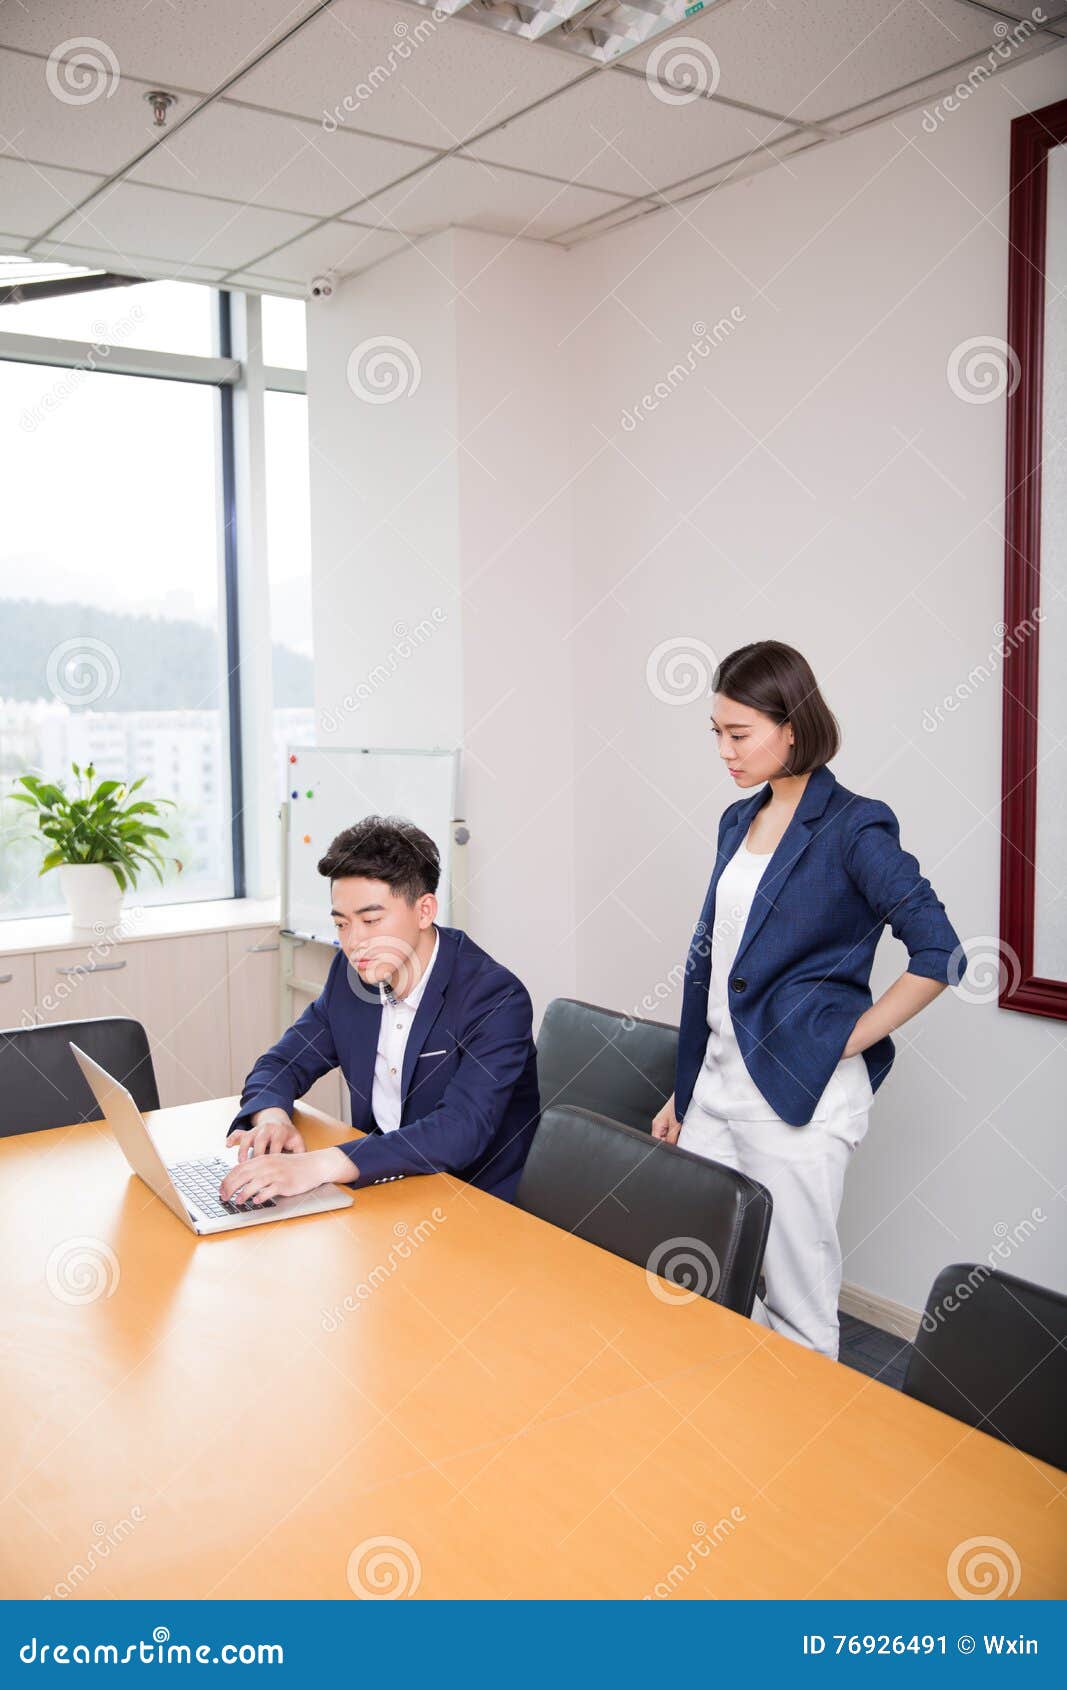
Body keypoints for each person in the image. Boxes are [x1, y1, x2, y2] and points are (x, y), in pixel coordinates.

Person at [652, 640, 966, 1360]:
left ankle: (802, 1455)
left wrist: (840, 1039)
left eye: (739, 735)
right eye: (717, 735)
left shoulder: (855, 825)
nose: (724, 752)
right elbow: (716, 961)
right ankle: (728, 1427)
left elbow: (939, 952)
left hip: (800, 1092)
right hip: (717, 1088)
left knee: (796, 1302)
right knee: (701, 1279)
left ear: (790, 726)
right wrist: (686, 1084)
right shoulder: (738, 820)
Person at [219, 815, 540, 1208]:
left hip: (472, 1204)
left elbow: (460, 1131)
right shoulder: (351, 976)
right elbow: (284, 1061)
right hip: (384, 1190)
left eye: (371, 921)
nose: (354, 942)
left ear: (424, 911)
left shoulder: (495, 998)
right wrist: (271, 1118)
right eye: (341, 924)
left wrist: (319, 1165)